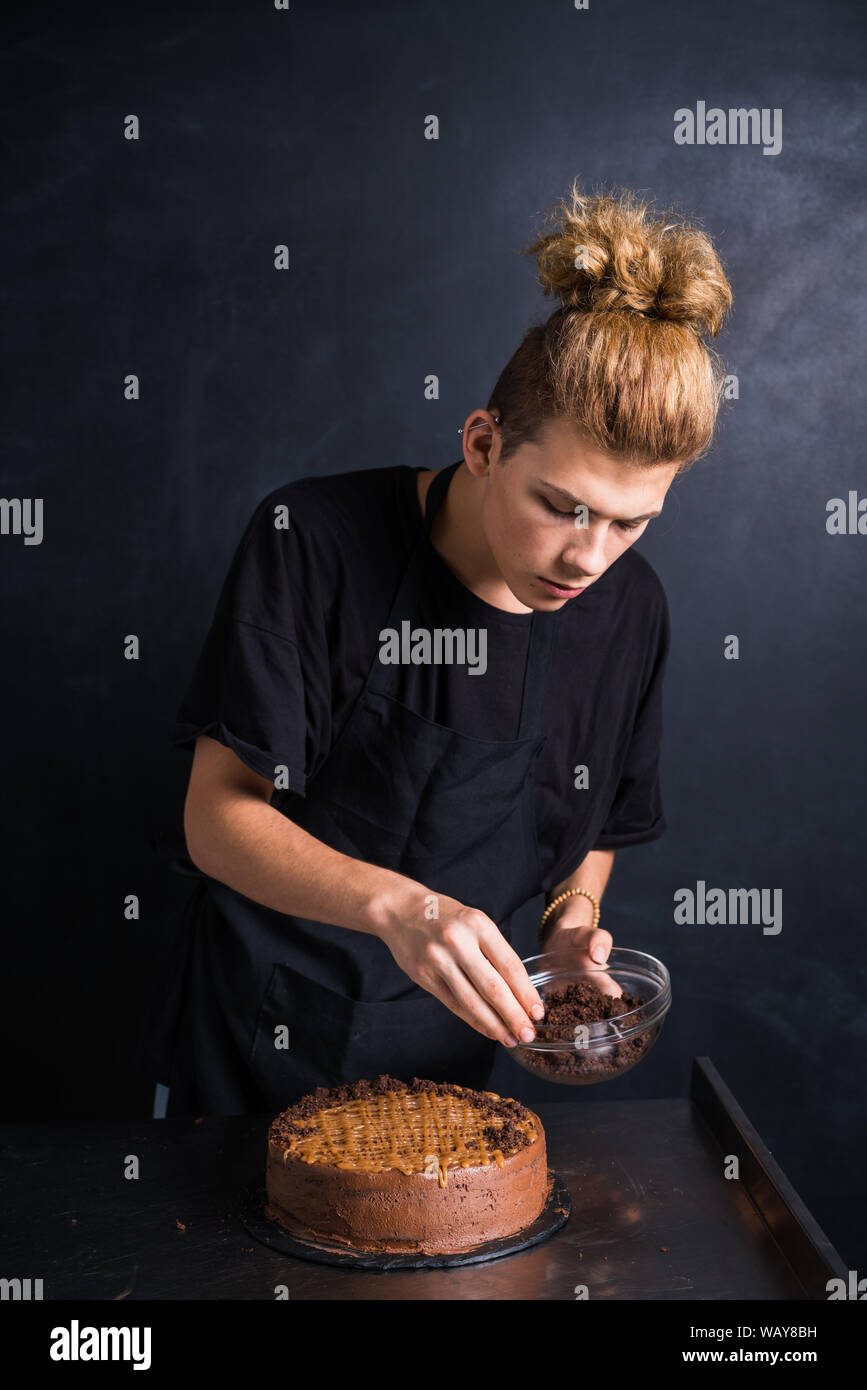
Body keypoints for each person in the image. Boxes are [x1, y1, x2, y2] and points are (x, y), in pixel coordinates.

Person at [148, 180, 732, 1116]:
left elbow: (603, 823)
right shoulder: (314, 540)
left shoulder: (631, 611)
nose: (588, 557)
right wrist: (403, 909)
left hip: (456, 1059)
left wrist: (568, 920)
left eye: (631, 524)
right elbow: (215, 818)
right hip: (262, 1029)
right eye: (560, 506)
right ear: (483, 443)